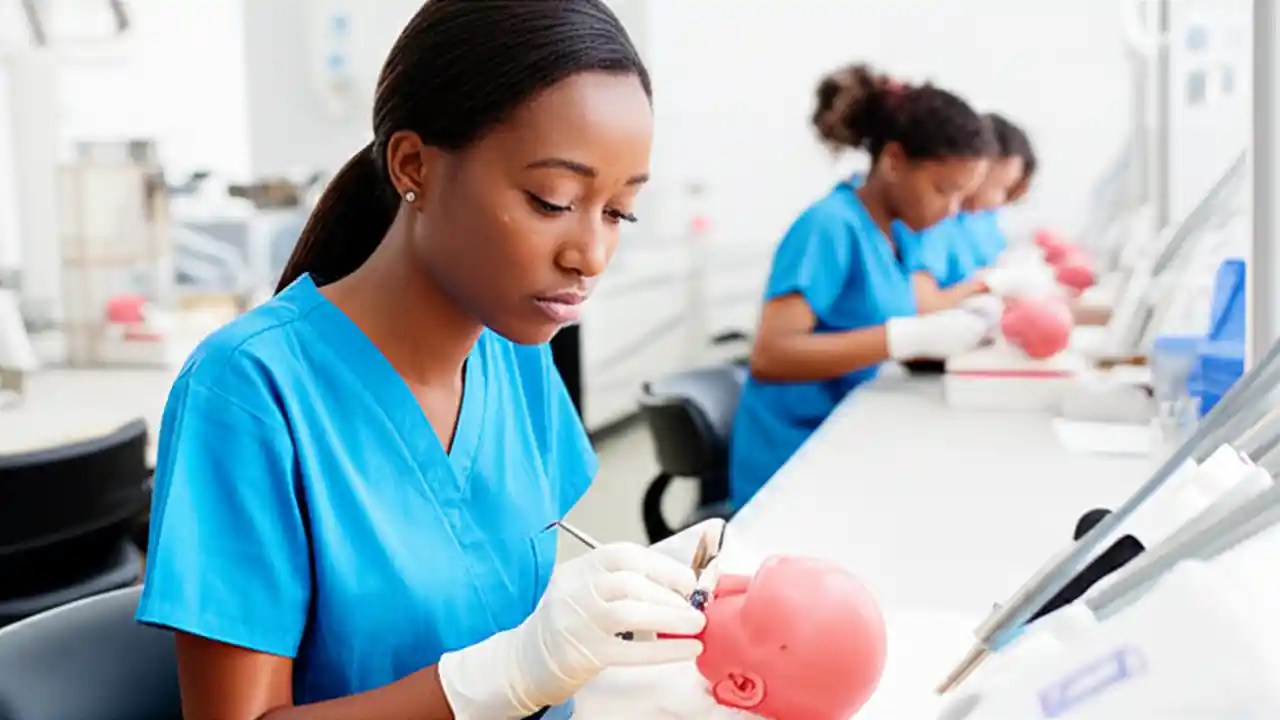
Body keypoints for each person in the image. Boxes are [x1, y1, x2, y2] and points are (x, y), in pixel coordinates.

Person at [134, 2, 710, 718]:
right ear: (415, 167)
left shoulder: (516, 354)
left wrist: (620, 614)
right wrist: (498, 679)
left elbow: (494, 594)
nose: (590, 255)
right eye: (551, 199)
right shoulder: (251, 391)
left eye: (619, 211)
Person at [727, 65, 995, 511]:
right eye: (943, 190)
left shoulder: (900, 234)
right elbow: (771, 355)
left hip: (851, 432)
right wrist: (902, 337)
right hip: (794, 459)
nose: (951, 212)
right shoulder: (829, 226)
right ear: (893, 161)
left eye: (960, 199)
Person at [905, 112, 1045, 313]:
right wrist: (987, 285)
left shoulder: (971, 219)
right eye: (1002, 187)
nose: (999, 202)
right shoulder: (933, 218)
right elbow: (924, 304)